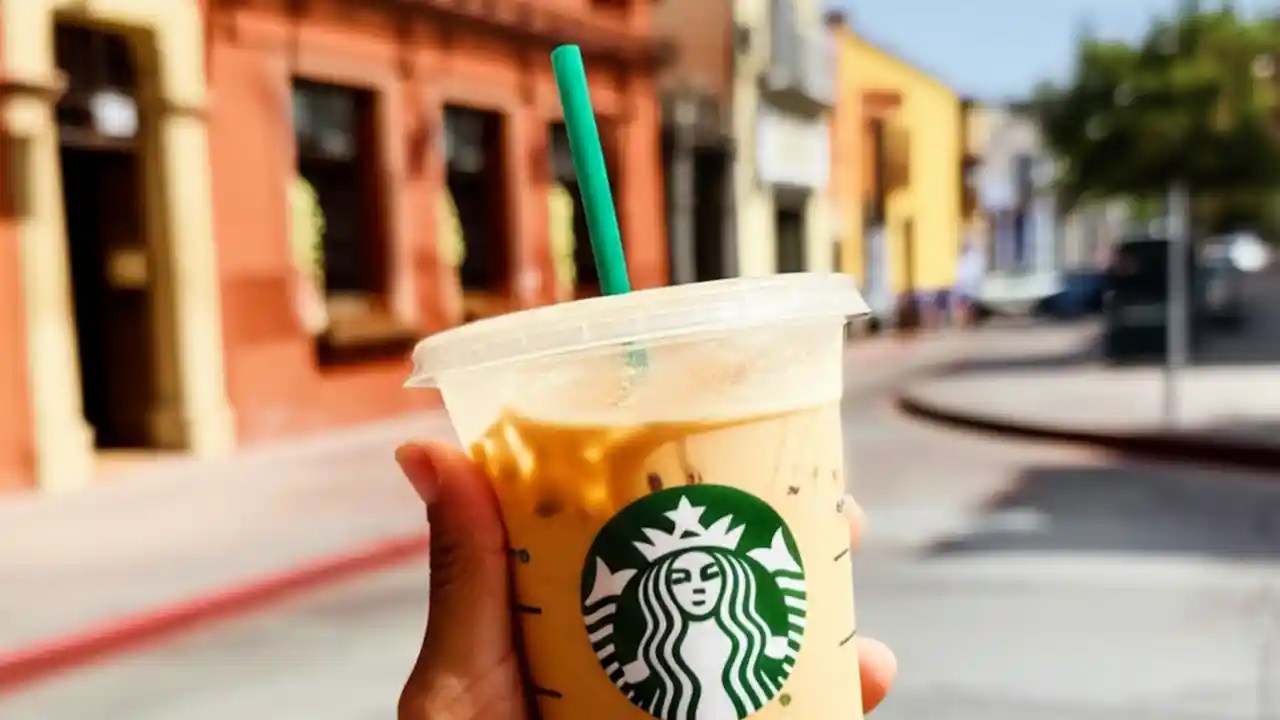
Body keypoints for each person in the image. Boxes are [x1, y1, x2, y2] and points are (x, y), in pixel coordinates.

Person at [394, 440, 899, 719]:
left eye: (708, 572)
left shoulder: (753, 646)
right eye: (680, 576)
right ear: (660, 588)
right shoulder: (646, 663)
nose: (697, 586)